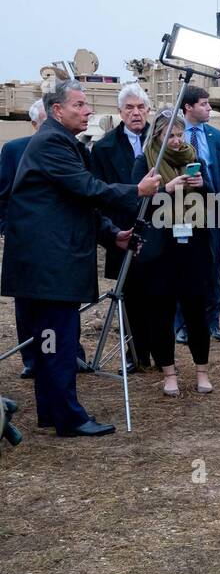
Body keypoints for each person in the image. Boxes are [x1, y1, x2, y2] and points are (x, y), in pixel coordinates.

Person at [0, 80, 161, 437]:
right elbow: (88, 189)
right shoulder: (54, 143)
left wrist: (111, 235)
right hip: (51, 266)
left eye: (87, 105)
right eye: (79, 105)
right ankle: (69, 418)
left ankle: (52, 412)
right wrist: (137, 190)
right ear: (57, 110)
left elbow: (75, 202)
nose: (88, 111)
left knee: (48, 342)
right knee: (57, 341)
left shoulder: (58, 142)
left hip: (45, 266)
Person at [133, 110, 215, 396]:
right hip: (161, 250)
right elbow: (135, 203)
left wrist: (203, 186)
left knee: (196, 311)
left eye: (180, 135)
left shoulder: (195, 160)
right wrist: (166, 190)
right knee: (161, 313)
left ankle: (202, 371)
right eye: (172, 136)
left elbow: (213, 201)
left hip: (193, 246)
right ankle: (169, 373)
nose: (178, 141)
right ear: (158, 136)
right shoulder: (146, 163)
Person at [90, 83, 153, 371]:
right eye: (129, 107)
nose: (136, 113)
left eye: (140, 107)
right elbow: (99, 193)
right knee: (129, 297)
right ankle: (134, 355)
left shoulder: (162, 139)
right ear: (120, 112)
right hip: (123, 231)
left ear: (148, 110)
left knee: (159, 295)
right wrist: (111, 233)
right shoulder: (103, 148)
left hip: (158, 228)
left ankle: (161, 355)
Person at [175, 85, 220, 343]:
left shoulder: (216, 136)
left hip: (213, 209)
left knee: (213, 269)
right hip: (181, 211)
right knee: (183, 268)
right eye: (204, 104)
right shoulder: (174, 136)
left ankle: (213, 323)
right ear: (188, 107)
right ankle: (182, 325)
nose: (209, 108)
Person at [0, 99, 47, 379]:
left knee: (63, 304)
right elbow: (3, 194)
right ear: (33, 124)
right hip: (24, 240)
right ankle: (31, 357)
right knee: (26, 301)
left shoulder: (69, 149)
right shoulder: (14, 150)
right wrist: (7, 227)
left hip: (59, 242)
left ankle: (71, 353)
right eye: (43, 123)